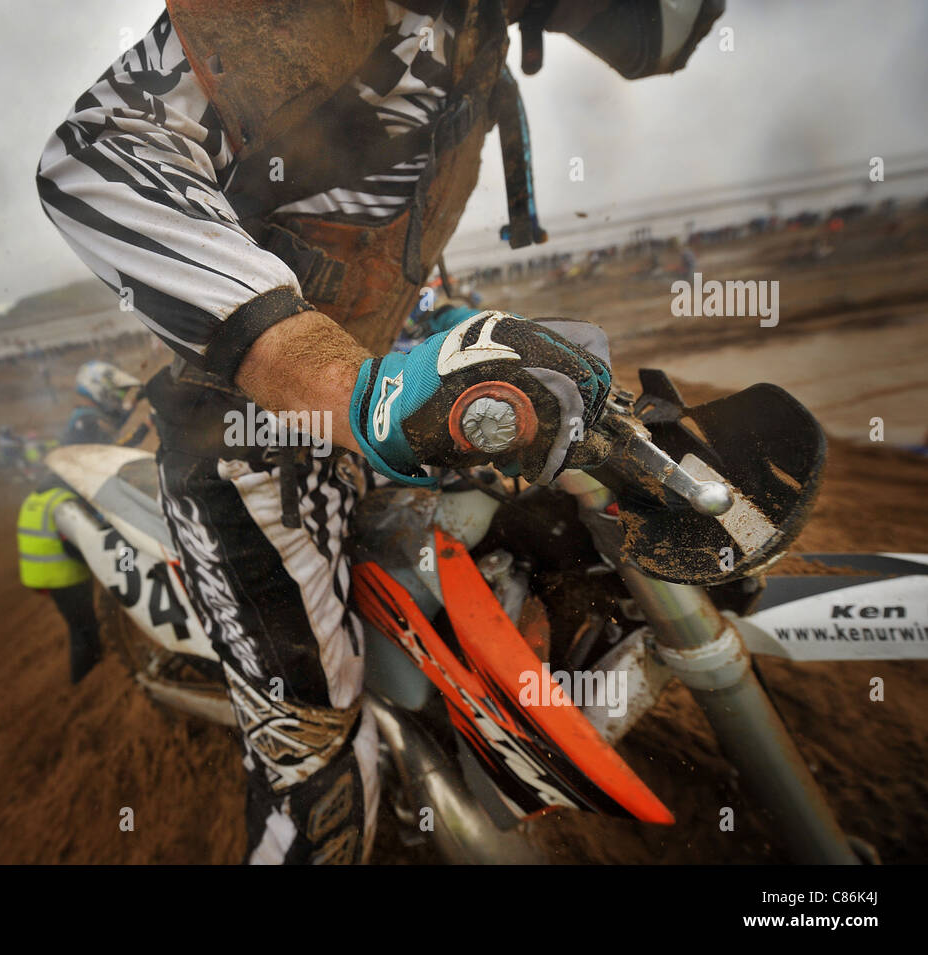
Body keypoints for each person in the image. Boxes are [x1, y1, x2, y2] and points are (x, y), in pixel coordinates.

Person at [37, 0, 722, 864]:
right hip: (254, 442)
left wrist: (437, 327)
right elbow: (99, 153)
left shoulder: (473, 33)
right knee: (319, 782)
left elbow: (361, 237)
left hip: (374, 395)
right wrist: (338, 379)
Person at [16, 476, 101, 684]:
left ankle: (87, 672)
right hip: (64, 577)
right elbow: (74, 545)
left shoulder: (36, 498)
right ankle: (84, 680)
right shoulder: (64, 503)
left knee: (79, 626)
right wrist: (100, 565)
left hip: (40, 575)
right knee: (84, 629)